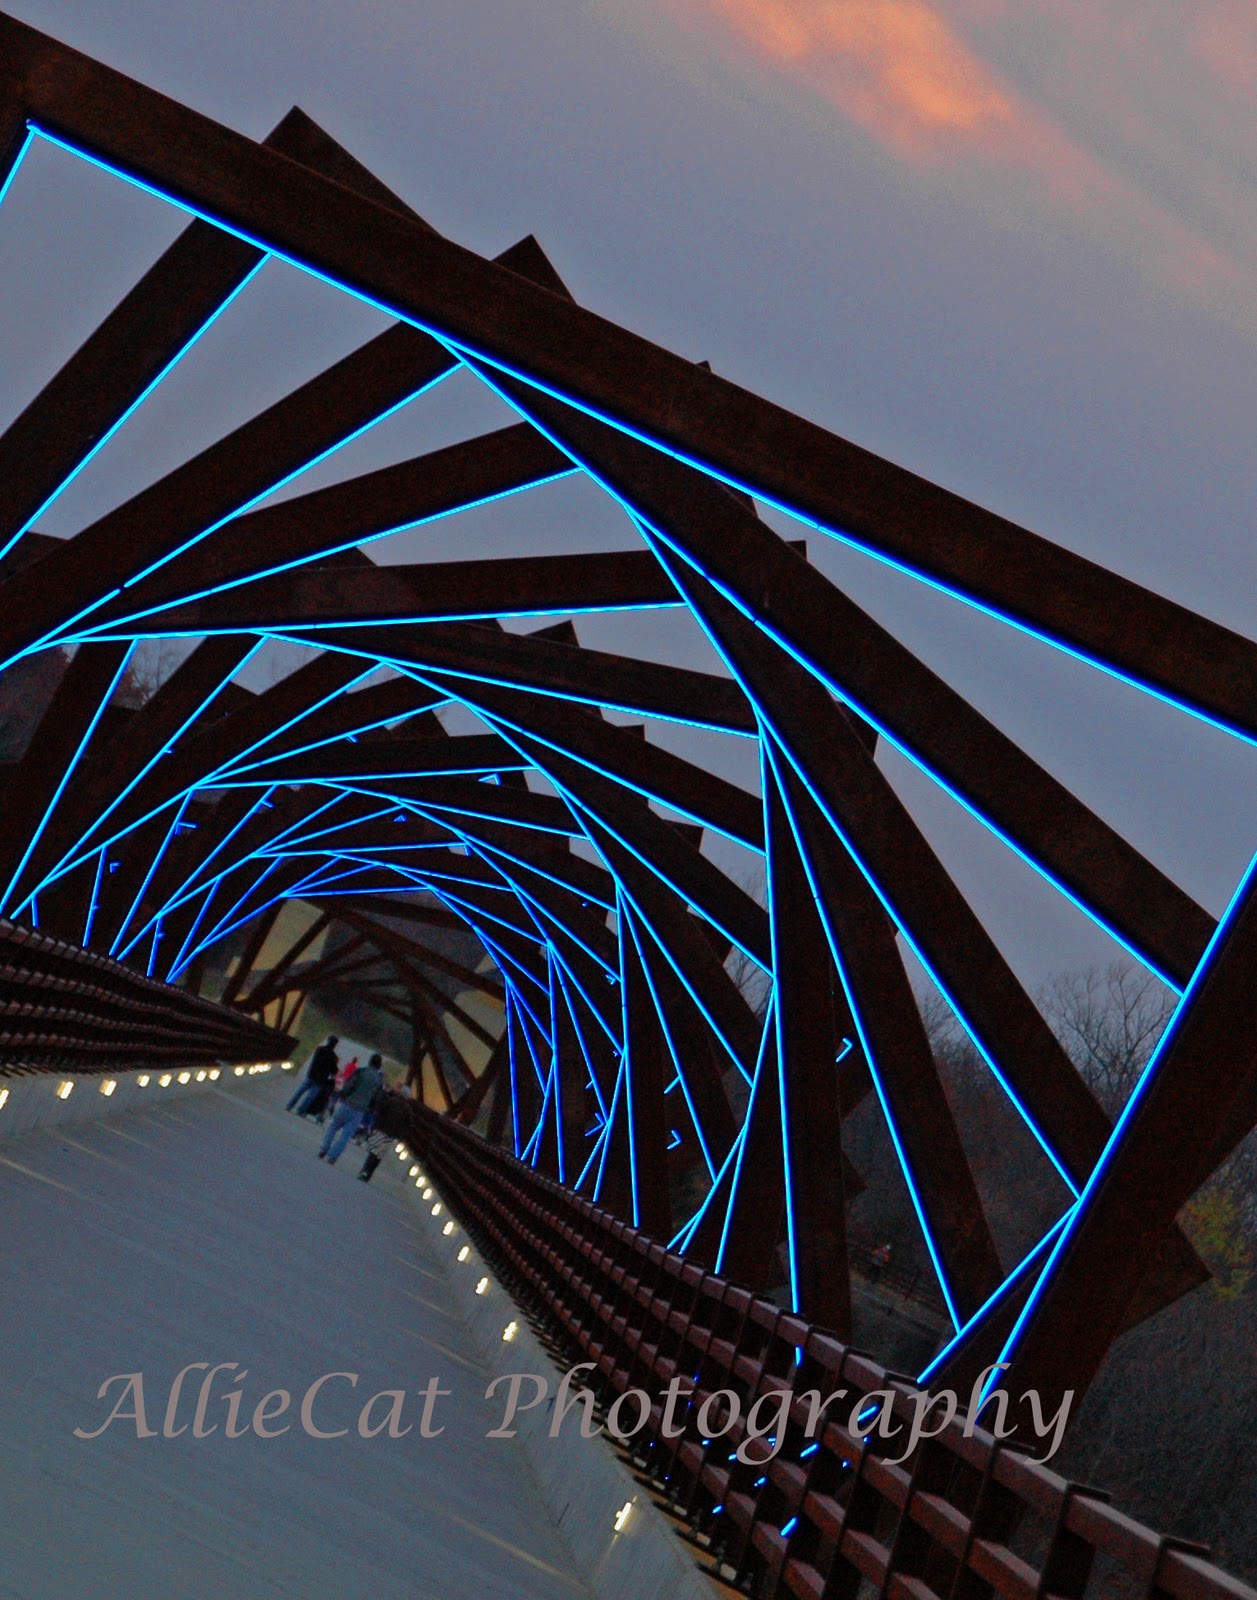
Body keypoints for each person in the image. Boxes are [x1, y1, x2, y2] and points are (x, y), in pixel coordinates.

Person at [318, 1053, 385, 1165]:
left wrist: (343, 1095)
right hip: (360, 1111)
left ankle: (324, 1149)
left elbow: (349, 1085)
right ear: (379, 1065)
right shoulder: (379, 1080)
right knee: (345, 1136)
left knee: (333, 1126)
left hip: (347, 1104)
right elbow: (377, 1098)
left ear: (370, 1061)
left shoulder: (361, 1071)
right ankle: (333, 1156)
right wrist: (369, 1109)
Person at [285, 1035, 339, 1116]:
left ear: (328, 1041)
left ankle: (289, 1106)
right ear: (335, 1044)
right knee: (310, 1097)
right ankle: (300, 1110)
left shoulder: (319, 1049)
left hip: (311, 1074)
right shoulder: (333, 1057)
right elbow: (334, 1071)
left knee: (299, 1092)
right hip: (320, 1080)